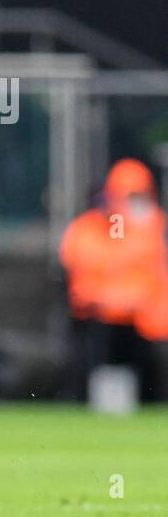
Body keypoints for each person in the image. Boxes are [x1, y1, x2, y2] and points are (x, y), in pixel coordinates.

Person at [60, 159, 168, 401]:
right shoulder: (87, 229)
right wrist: (114, 300)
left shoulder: (157, 228)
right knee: (91, 345)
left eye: (140, 197)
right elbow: (83, 278)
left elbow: (155, 279)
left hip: (144, 321)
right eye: (129, 197)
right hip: (99, 318)